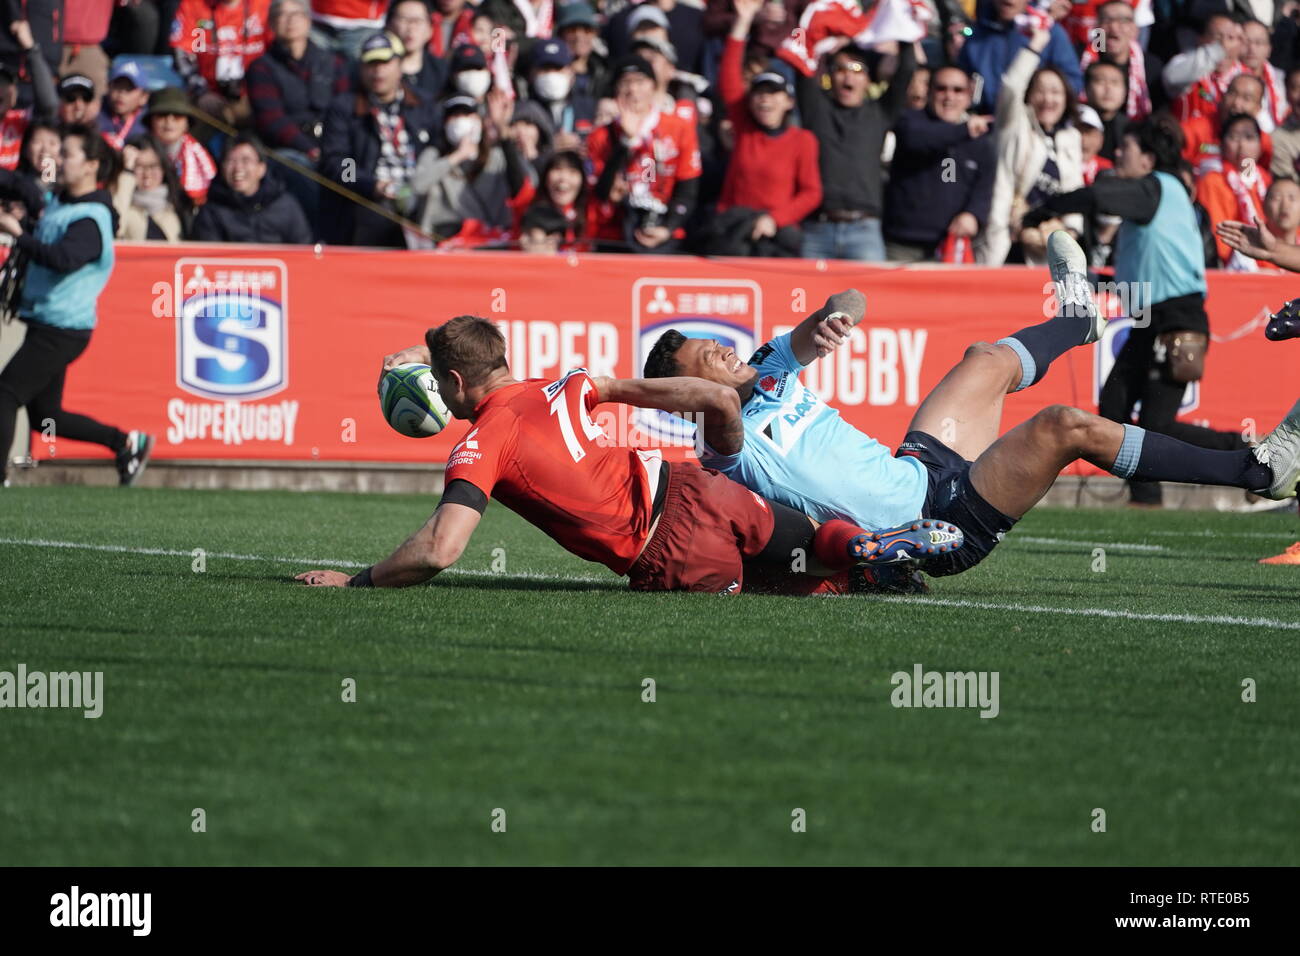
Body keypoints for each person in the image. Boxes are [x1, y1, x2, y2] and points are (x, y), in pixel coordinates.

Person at [628, 232, 1300, 582]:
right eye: (701, 361)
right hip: (933, 527)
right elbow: (715, 404)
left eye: (714, 346)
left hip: (922, 470)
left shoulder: (773, 364)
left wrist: (839, 315)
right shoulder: (722, 442)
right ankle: (1257, 471)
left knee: (985, 358)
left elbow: (849, 301)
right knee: (1064, 427)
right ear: (685, 397)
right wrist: (629, 387)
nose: (719, 355)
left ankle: (1076, 321)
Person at [294, 316, 956, 592]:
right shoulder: (564, 385)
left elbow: (442, 549)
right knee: (812, 540)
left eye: (441, 381)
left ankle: (856, 568)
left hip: (666, 545)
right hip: (698, 486)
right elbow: (636, 389)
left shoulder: (480, 442)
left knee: (805, 592)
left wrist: (357, 580)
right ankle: (868, 547)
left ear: (455, 386)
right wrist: (417, 355)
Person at [1023, 112, 1252, 507]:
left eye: (1125, 148)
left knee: (1155, 424)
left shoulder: (1155, 188)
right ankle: (1149, 494)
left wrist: (1044, 210)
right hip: (1153, 320)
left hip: (1177, 320)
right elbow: (1140, 279)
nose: (1117, 155)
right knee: (1113, 408)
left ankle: (1238, 453)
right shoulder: (1153, 201)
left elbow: (1096, 197)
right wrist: (1093, 282)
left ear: (1148, 159)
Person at [0, 125, 154, 488]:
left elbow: (64, 258)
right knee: (45, 417)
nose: (59, 160)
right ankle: (126, 442)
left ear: (91, 166)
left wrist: (18, 234)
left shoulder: (91, 217)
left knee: (4, 394)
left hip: (62, 330)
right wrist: (24, 222)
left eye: (67, 154)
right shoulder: (61, 201)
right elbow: (29, 196)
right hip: (49, 324)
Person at [701, 0, 820, 258]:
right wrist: (743, 22)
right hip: (734, 233)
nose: (765, 100)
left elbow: (811, 193)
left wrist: (774, 219)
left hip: (775, 238)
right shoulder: (745, 128)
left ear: (788, 102)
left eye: (773, 94)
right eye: (759, 94)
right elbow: (729, 77)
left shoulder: (802, 140)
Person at [796, 39, 915, 263]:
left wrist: (903, 31)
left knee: (872, 298)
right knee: (807, 297)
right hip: (817, 229)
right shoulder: (816, 109)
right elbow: (801, 64)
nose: (848, 77)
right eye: (840, 69)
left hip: (864, 230)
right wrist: (806, 26)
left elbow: (906, 69)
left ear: (868, 79)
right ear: (829, 77)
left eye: (857, 69)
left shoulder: (880, 112)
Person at [319, 31, 440, 247]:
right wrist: (372, 184)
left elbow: (439, 148)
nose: (378, 70)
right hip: (372, 198)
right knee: (372, 216)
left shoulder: (423, 103)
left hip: (421, 191)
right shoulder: (344, 107)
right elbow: (337, 162)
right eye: (371, 64)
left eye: (385, 62)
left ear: (400, 64)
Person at [981, 26, 1084, 266]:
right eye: (1041, 91)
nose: (1048, 99)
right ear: (1029, 97)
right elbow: (1011, 87)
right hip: (1007, 242)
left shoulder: (1070, 138)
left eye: (1056, 92)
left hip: (1047, 249)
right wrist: (1034, 47)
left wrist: (1071, 230)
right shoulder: (1014, 126)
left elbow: (1075, 190)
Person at [586, 55, 701, 253]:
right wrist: (625, 142)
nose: (633, 90)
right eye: (626, 82)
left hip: (663, 232)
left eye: (640, 82)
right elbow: (600, 193)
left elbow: (688, 189)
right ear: (616, 89)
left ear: (653, 86)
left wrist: (668, 228)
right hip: (614, 234)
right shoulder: (600, 136)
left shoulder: (678, 128)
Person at [883, 65, 996, 263]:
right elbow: (917, 140)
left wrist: (973, 214)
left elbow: (985, 186)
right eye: (941, 88)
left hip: (952, 247)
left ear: (969, 95)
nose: (949, 96)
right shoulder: (910, 121)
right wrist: (963, 130)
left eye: (957, 90)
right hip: (902, 245)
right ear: (929, 92)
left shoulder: (980, 142)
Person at [958, 0, 1083, 114]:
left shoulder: (1049, 31)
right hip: (984, 125)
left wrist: (1043, 99)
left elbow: (1072, 83)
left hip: (1033, 125)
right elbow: (959, 83)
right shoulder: (976, 36)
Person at [191, 135, 312, 243]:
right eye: (231, 161)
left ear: (261, 168)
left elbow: (303, 249)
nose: (238, 168)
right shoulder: (211, 211)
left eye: (246, 160)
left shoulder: (285, 206)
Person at [1196, 112, 1270, 268]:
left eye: (1249, 138)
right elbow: (1218, 234)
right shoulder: (1212, 181)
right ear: (1222, 144)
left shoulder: (1265, 179)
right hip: (1233, 263)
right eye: (1234, 138)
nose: (1242, 145)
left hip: (1271, 259)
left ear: (1260, 145)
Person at [112, 133, 193, 240]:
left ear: (164, 168)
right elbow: (116, 229)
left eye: (153, 166)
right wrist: (127, 173)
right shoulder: (120, 201)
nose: (147, 174)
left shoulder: (178, 204)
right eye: (139, 166)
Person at [147, 86, 218, 205]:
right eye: (162, 115)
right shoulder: (138, 149)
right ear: (150, 121)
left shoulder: (200, 156)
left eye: (177, 115)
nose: (169, 121)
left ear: (187, 123)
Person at [99, 61, 150, 152]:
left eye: (129, 89)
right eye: (117, 87)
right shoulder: (97, 113)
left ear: (144, 97)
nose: (121, 94)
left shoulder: (148, 123)